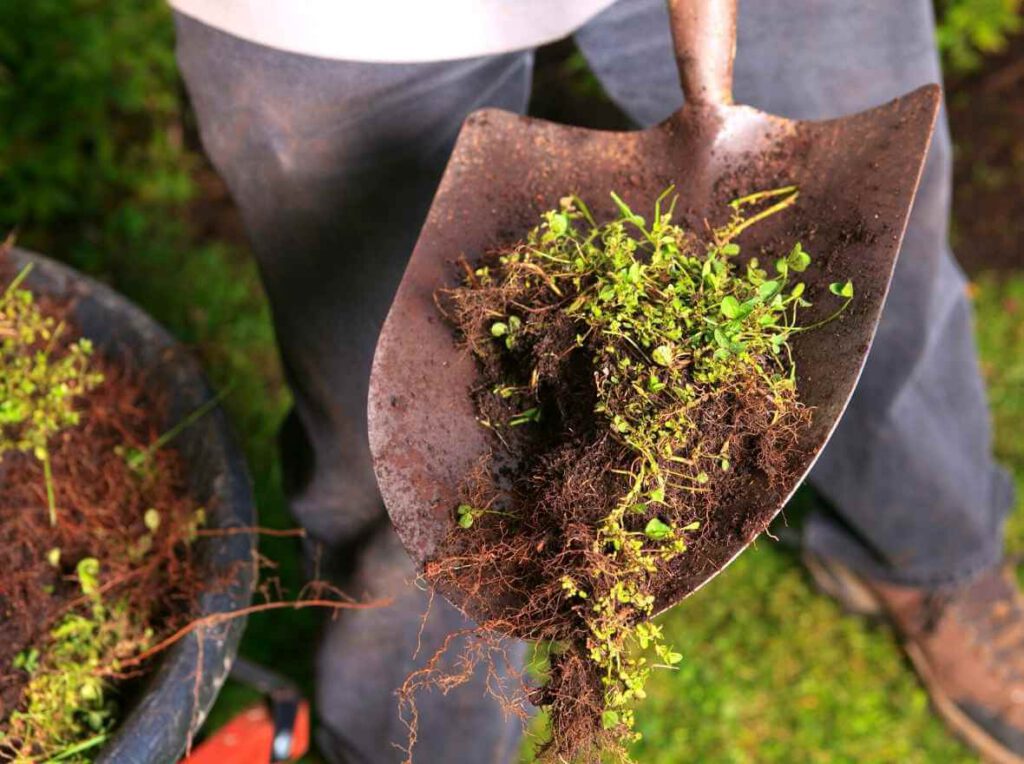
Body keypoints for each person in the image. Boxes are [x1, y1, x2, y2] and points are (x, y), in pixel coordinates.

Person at [169, 1, 1021, 762]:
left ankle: (926, 549)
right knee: (402, 444)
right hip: (344, 23)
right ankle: (420, 746)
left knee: (871, 250)